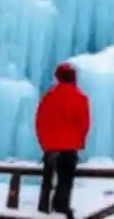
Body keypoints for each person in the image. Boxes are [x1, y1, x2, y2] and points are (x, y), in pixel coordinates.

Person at [35, 62, 91, 217]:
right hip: (68, 148)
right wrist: (79, 141)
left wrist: (44, 143)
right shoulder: (80, 97)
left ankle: (43, 209)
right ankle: (61, 209)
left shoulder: (48, 97)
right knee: (65, 180)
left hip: (50, 148)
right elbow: (84, 124)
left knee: (47, 179)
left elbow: (39, 122)